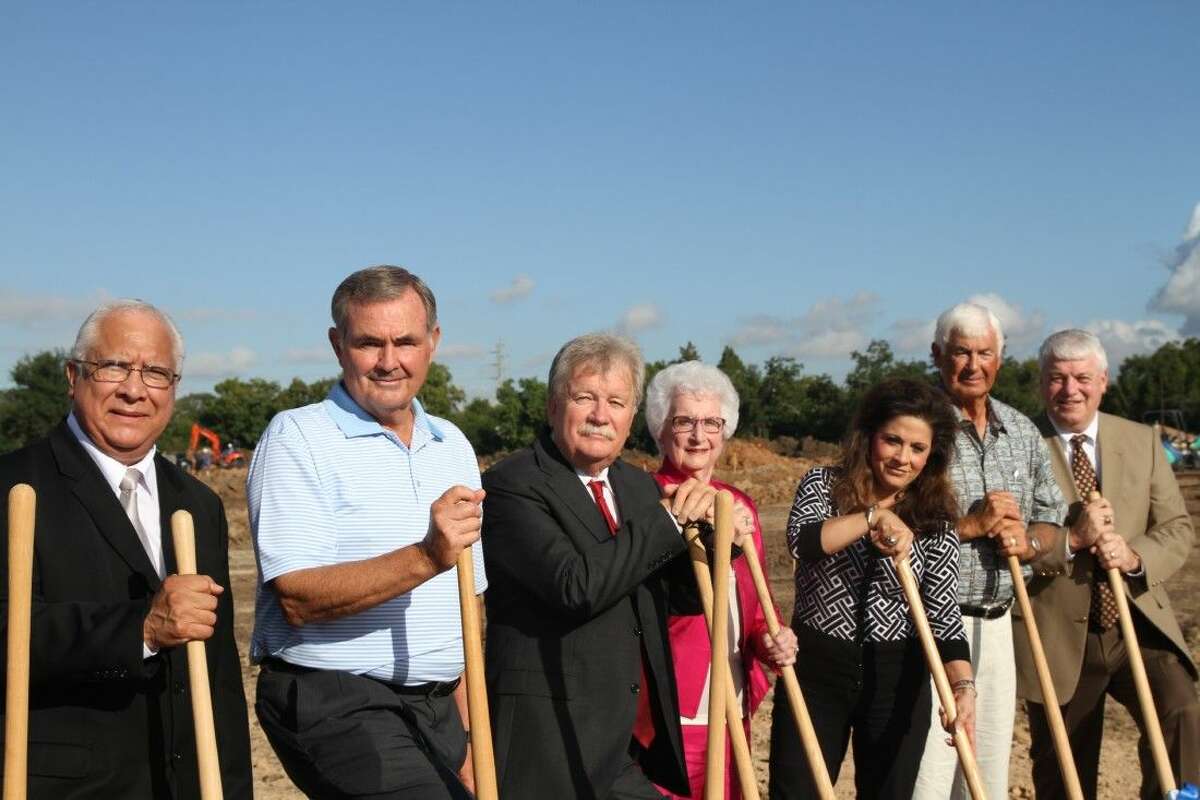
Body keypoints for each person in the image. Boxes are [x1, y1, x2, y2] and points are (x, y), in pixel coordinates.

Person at [249, 266, 486, 798]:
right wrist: (426, 556)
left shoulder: (453, 446)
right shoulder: (298, 437)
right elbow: (298, 597)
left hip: (436, 707)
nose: (389, 361)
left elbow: (465, 605)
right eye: (368, 343)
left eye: (405, 341)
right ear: (337, 345)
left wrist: (470, 735)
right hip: (336, 700)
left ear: (434, 342)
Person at [0, 300, 253, 798]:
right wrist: (138, 629)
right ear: (74, 376)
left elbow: (217, 675)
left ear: (174, 389)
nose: (134, 390)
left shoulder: (198, 503)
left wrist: (231, 785)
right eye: (114, 366)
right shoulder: (12, 488)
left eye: (155, 372)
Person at [481, 333, 717, 799]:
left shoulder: (640, 488)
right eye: (584, 397)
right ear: (552, 406)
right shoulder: (512, 485)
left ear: (632, 417)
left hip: (626, 742)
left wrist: (709, 536)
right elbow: (575, 587)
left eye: (616, 401)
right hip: (548, 744)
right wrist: (669, 520)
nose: (600, 416)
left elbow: (680, 598)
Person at [769, 378, 974, 799]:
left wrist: (962, 685)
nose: (903, 458)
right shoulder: (823, 485)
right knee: (797, 791)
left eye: (917, 449)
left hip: (897, 677)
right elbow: (803, 542)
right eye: (892, 441)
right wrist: (871, 517)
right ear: (869, 438)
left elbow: (942, 612)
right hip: (816, 669)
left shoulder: (936, 518)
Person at [1016, 329, 1199, 798]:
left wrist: (1135, 556)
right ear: (1041, 384)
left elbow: (1177, 527)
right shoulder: (1020, 447)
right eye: (1057, 378)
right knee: (1064, 767)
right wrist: (1071, 542)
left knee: (1181, 713)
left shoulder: (1140, 440)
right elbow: (1011, 544)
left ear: (1103, 381)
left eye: (1081, 377)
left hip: (1136, 621)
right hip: (1058, 630)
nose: (1069, 389)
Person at [912, 302, 1068, 800]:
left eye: (984, 353)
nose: (973, 365)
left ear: (1001, 359)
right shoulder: (915, 431)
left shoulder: (1021, 432)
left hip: (1000, 621)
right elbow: (890, 531)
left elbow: (1051, 515)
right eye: (961, 352)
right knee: (930, 771)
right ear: (938, 355)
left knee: (988, 770)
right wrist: (969, 526)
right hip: (931, 625)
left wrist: (1030, 541)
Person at [643, 361, 799, 799]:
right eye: (684, 421)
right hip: (677, 705)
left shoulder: (741, 505)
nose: (699, 435)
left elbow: (755, 603)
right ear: (660, 429)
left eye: (712, 422)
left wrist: (770, 638)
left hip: (731, 699)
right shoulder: (649, 501)